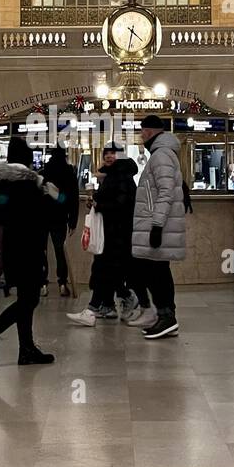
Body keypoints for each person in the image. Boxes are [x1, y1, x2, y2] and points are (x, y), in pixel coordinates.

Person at [0, 136, 54, 367]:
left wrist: (0, 216)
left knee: (27, 298)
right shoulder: (31, 183)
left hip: (12, 244)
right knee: (30, 299)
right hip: (30, 247)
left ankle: (26, 350)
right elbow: (46, 211)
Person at [68, 150, 139, 326]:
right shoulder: (112, 175)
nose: (108, 156)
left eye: (113, 154)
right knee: (106, 270)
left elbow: (121, 205)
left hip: (118, 233)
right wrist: (94, 201)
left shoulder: (120, 176)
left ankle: (97, 307)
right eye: (106, 153)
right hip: (111, 232)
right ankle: (107, 306)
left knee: (105, 270)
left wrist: (99, 205)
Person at [130, 116, 186, 339]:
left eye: (143, 131)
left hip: (158, 225)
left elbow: (165, 192)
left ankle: (166, 317)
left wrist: (156, 225)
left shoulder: (161, 155)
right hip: (159, 223)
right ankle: (166, 317)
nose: (141, 135)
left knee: (156, 272)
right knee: (157, 271)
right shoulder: (162, 154)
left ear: (151, 132)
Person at [41, 145, 79, 297]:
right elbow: (73, 199)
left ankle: (43, 284)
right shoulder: (69, 172)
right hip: (60, 217)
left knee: (41, 250)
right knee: (60, 251)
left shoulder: (44, 172)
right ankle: (62, 283)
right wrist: (73, 221)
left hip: (42, 217)